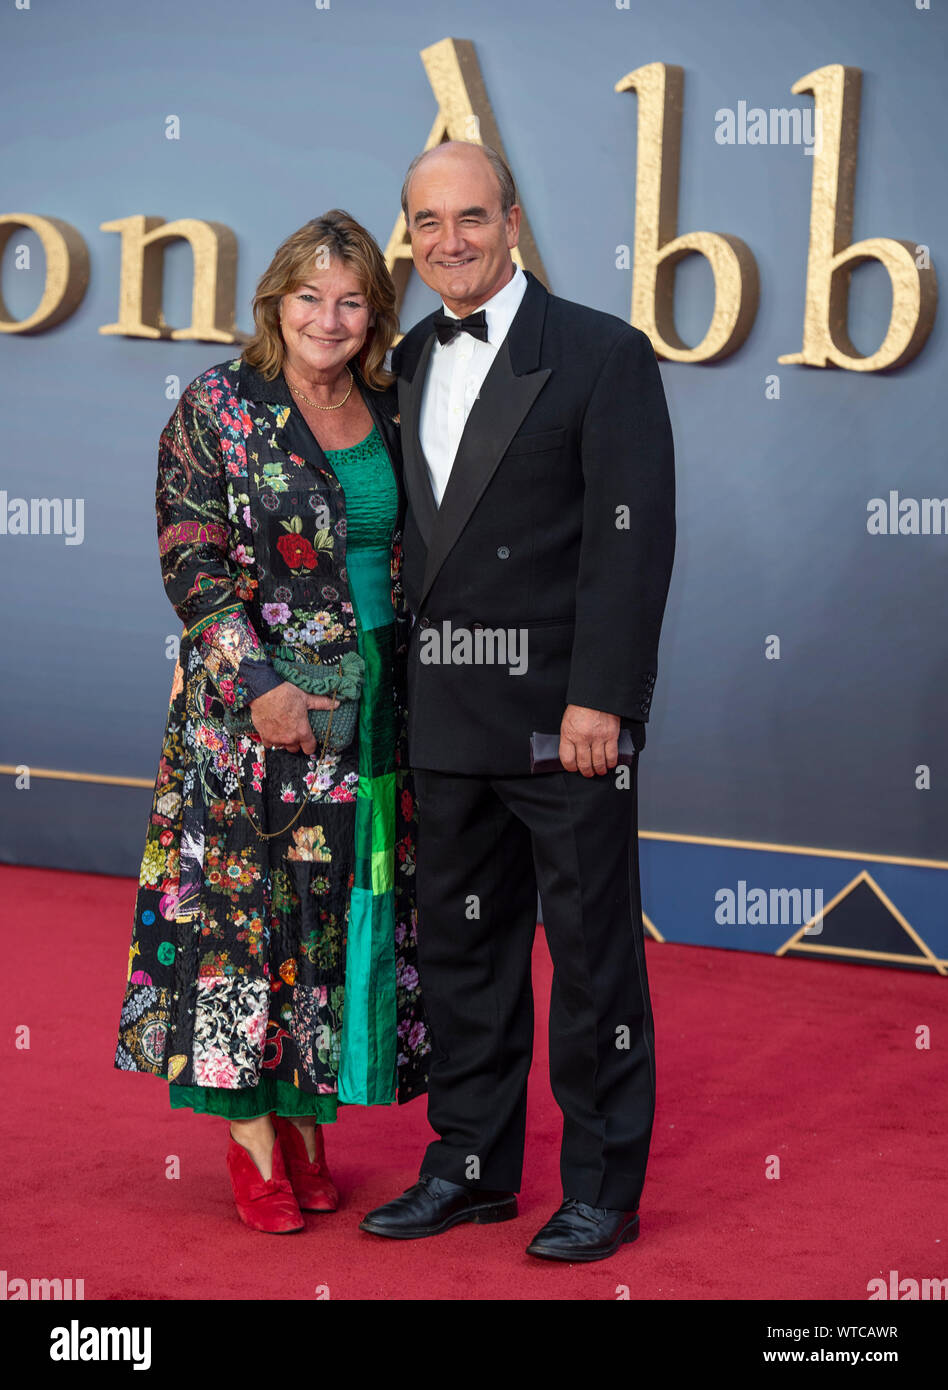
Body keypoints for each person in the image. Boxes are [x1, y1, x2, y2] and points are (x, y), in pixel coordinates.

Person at [359, 142, 675, 1261]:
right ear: (410, 231)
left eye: (472, 217)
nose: (450, 240)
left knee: (593, 963)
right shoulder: (395, 362)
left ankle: (599, 1185)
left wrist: (603, 701)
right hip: (442, 721)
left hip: (562, 727)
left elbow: (630, 552)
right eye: (428, 220)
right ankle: (471, 1166)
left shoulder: (601, 353)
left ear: (513, 218)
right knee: (461, 955)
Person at [114, 210, 429, 1233]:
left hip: (378, 698)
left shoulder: (395, 402)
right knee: (241, 921)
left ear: (376, 315)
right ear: (275, 303)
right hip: (250, 712)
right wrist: (257, 683)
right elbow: (191, 558)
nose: (328, 319)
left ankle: (304, 1115)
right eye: (309, 297)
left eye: (350, 301)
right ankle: (252, 1138)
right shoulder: (220, 404)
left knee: (328, 916)